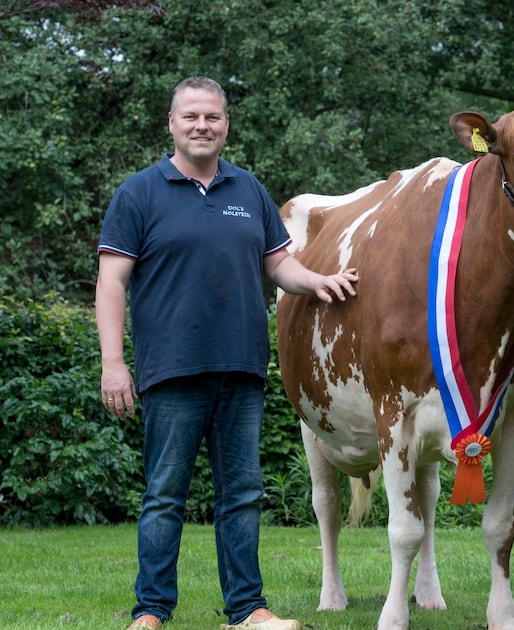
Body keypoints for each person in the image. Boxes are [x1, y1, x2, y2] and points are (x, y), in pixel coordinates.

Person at [96, 76, 359, 630]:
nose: (202, 126)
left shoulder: (248, 190)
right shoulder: (139, 193)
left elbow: (278, 264)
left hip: (241, 368)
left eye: (212, 117)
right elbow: (111, 282)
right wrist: (113, 363)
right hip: (171, 369)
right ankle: (151, 611)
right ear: (172, 123)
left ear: (226, 125)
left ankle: (247, 609)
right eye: (191, 116)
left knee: (240, 494)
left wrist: (318, 280)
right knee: (164, 494)